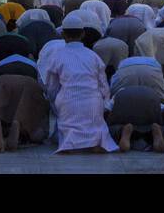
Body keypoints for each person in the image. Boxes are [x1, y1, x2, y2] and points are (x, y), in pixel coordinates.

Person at [39, 11, 117, 153]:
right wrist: (104, 103)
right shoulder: (93, 56)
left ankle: (71, 145)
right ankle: (95, 143)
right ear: (82, 34)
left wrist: (54, 102)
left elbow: (51, 87)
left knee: (67, 129)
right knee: (96, 127)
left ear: (63, 35)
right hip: (93, 101)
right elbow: (103, 85)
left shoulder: (57, 56)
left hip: (68, 102)